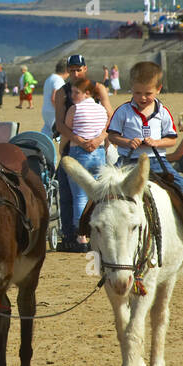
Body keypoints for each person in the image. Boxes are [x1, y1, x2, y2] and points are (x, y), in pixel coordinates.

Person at [105, 62, 183, 242]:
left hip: (156, 160)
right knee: (105, 186)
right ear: (131, 89)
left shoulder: (163, 113)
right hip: (128, 160)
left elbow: (171, 139)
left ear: (158, 89)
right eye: (137, 93)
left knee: (182, 185)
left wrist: (156, 143)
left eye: (148, 94)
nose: (142, 98)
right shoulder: (123, 111)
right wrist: (127, 141)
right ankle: (91, 225)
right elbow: (112, 136)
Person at [64, 77, 110, 249]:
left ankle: (81, 235)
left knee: (80, 195)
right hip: (98, 153)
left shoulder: (74, 109)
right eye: (72, 92)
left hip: (79, 152)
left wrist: (81, 142)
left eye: (76, 92)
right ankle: (98, 232)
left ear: (87, 93)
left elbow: (68, 129)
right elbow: (106, 129)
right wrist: (97, 140)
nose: (72, 95)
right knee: (97, 195)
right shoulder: (101, 110)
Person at [41, 60, 67, 136]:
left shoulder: (50, 78)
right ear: (66, 70)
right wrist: (61, 111)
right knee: (62, 134)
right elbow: (54, 97)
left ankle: (40, 146)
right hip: (53, 112)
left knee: (46, 134)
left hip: (46, 111)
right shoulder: (58, 80)